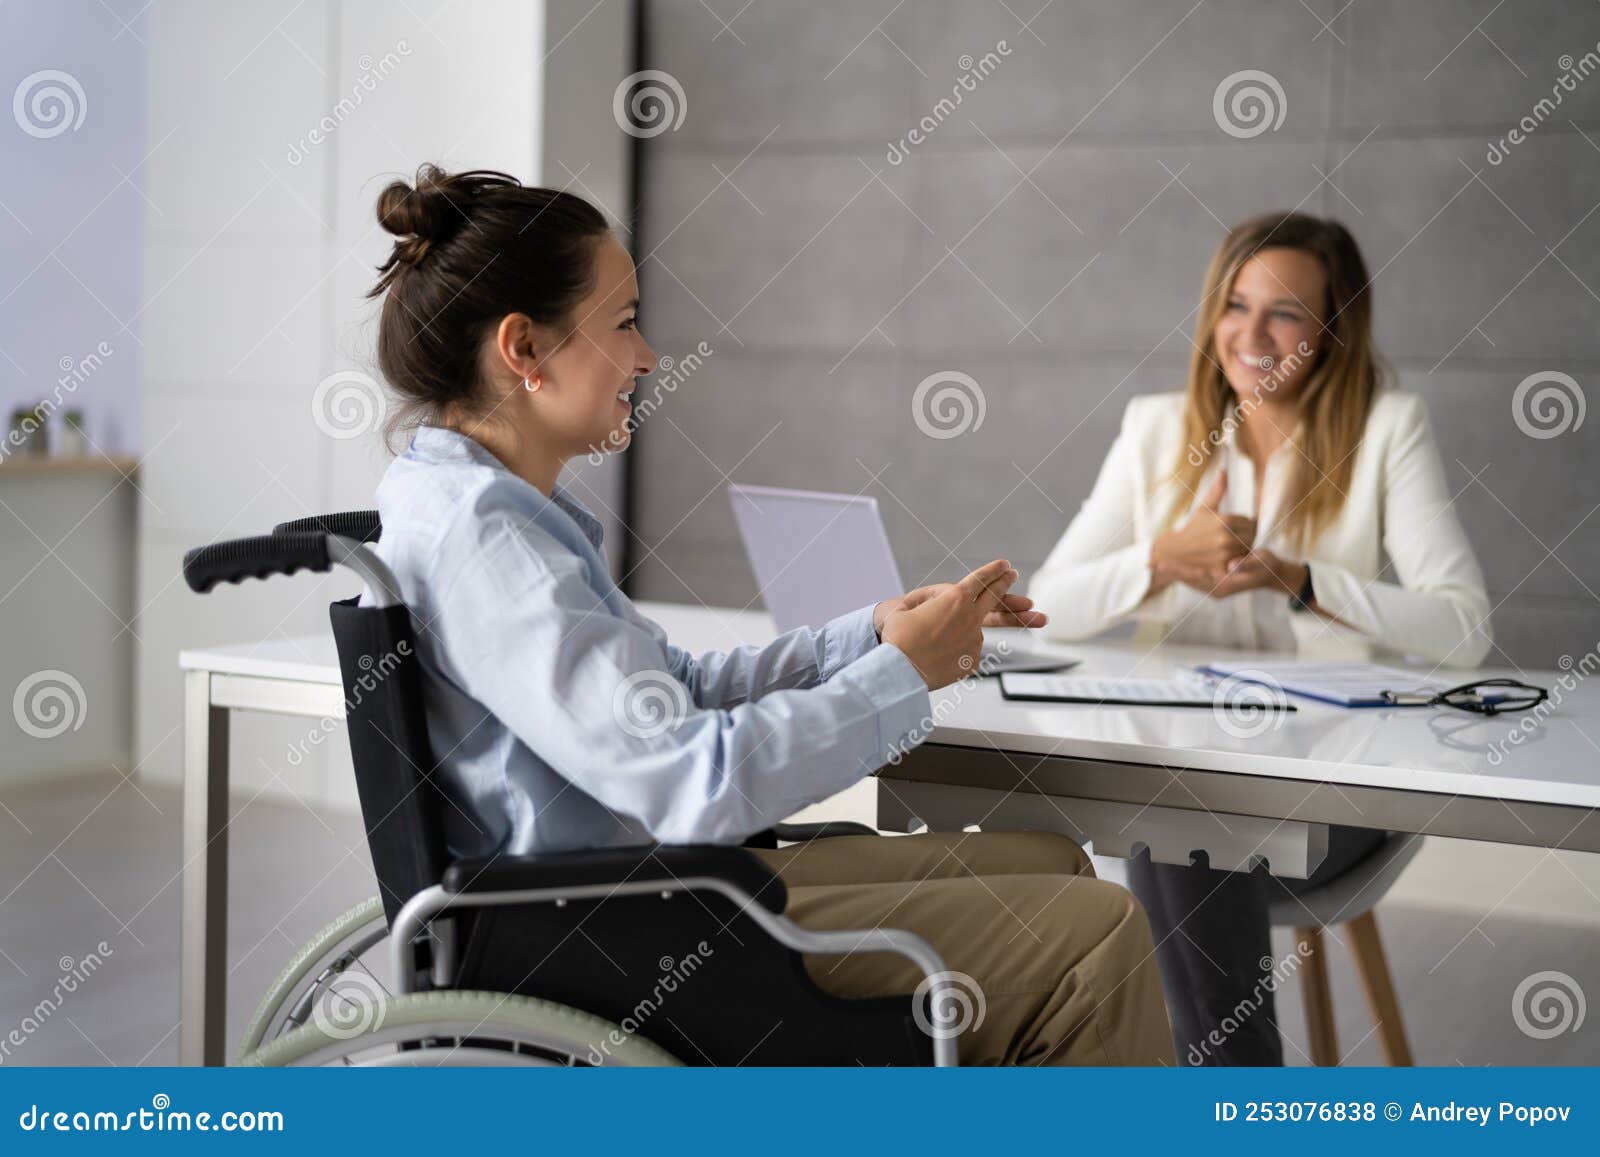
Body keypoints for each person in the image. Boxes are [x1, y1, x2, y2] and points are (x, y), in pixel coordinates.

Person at [358, 164, 1173, 1066]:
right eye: (624, 323)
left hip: (624, 898)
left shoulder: (472, 509)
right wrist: (900, 673)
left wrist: (867, 635)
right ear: (525, 350)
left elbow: (676, 693)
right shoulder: (490, 543)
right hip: (614, 934)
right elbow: (695, 784)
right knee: (1097, 933)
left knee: (1053, 863)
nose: (648, 357)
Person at [1028, 210, 1493, 1065]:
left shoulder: (1387, 428)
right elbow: (1047, 601)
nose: (1249, 334)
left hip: (1336, 792)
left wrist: (1305, 581)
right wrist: (1158, 560)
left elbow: (1464, 629)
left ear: (1332, 330)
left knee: (1179, 826)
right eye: (1234, 305)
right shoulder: (1158, 429)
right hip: (1184, 776)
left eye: (1282, 312)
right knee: (1173, 816)